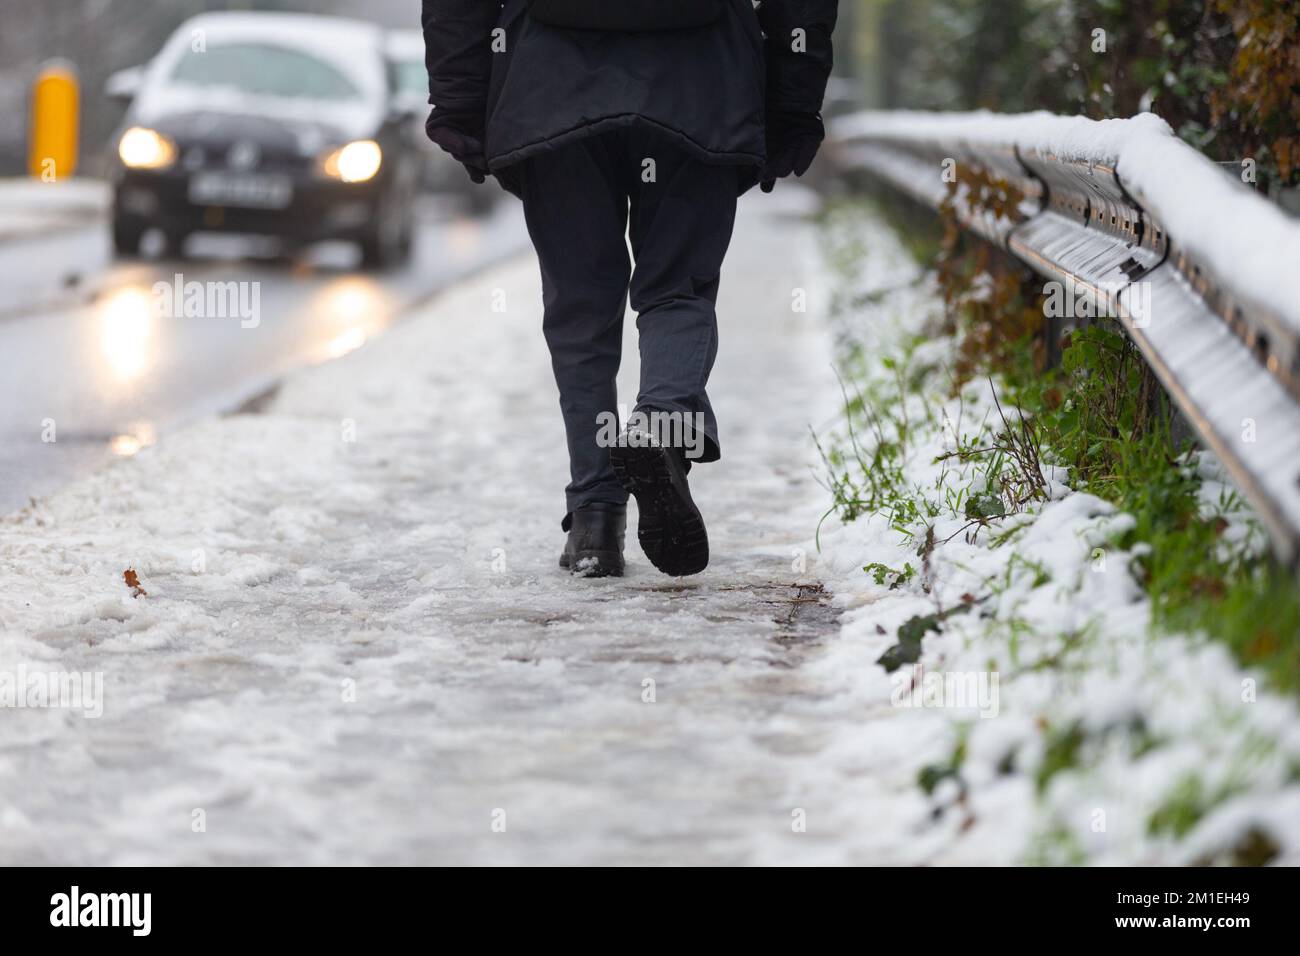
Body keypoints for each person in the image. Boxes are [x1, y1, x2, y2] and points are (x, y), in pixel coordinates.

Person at [422, 0, 838, 578]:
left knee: (579, 306)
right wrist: (792, 101)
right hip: (700, 83)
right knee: (678, 288)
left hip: (551, 84)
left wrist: (461, 98)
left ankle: (595, 518)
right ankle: (662, 421)